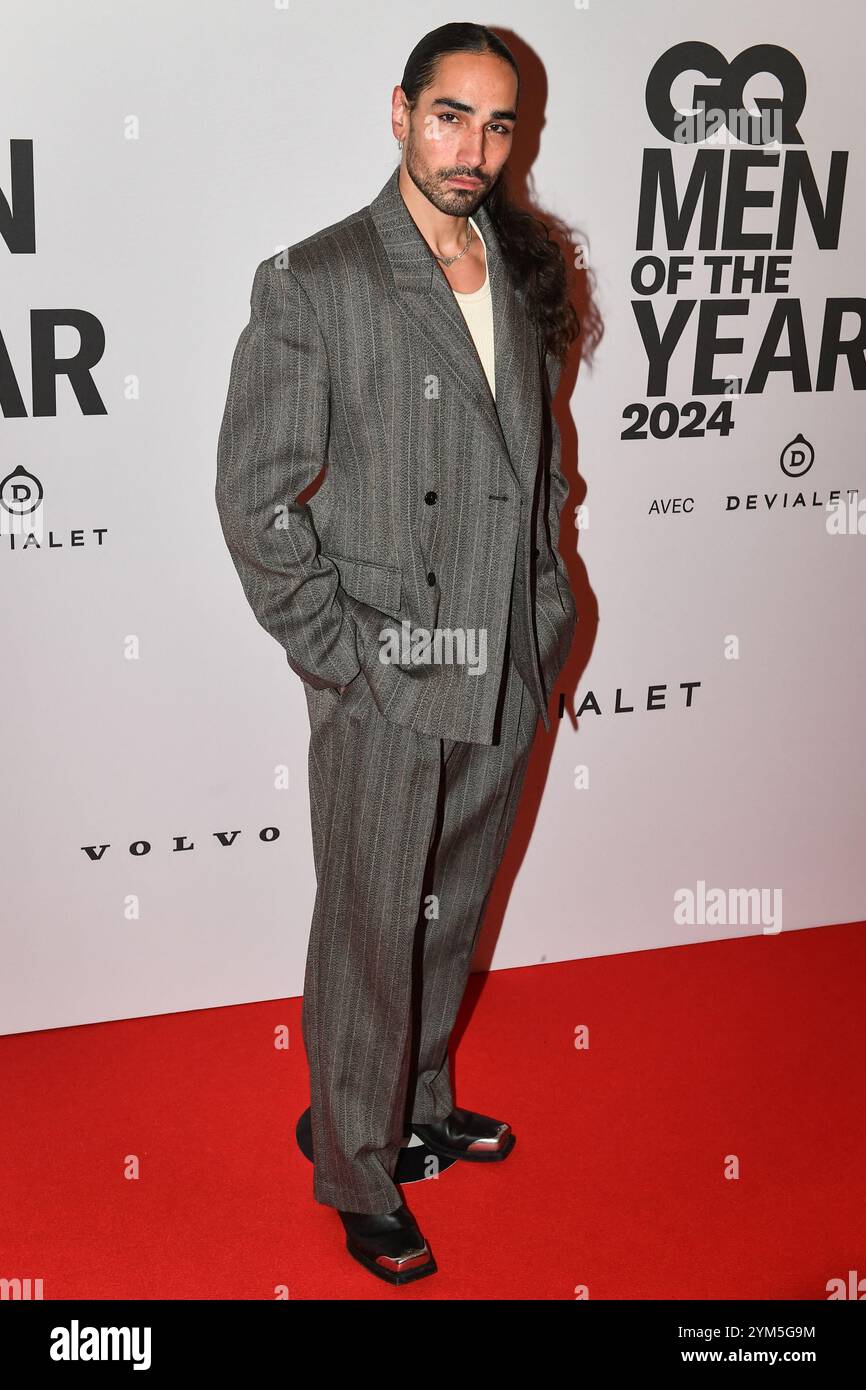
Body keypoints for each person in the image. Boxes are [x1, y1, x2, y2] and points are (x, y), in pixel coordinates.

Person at [215, 21, 578, 1286]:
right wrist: (344, 659)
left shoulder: (514, 259)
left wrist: (545, 606)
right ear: (397, 113)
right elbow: (255, 499)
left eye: (497, 125)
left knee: (447, 907)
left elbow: (533, 461)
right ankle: (356, 1166)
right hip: (391, 664)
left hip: (503, 656)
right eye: (449, 117)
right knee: (369, 924)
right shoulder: (316, 279)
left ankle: (416, 1106)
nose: (472, 148)